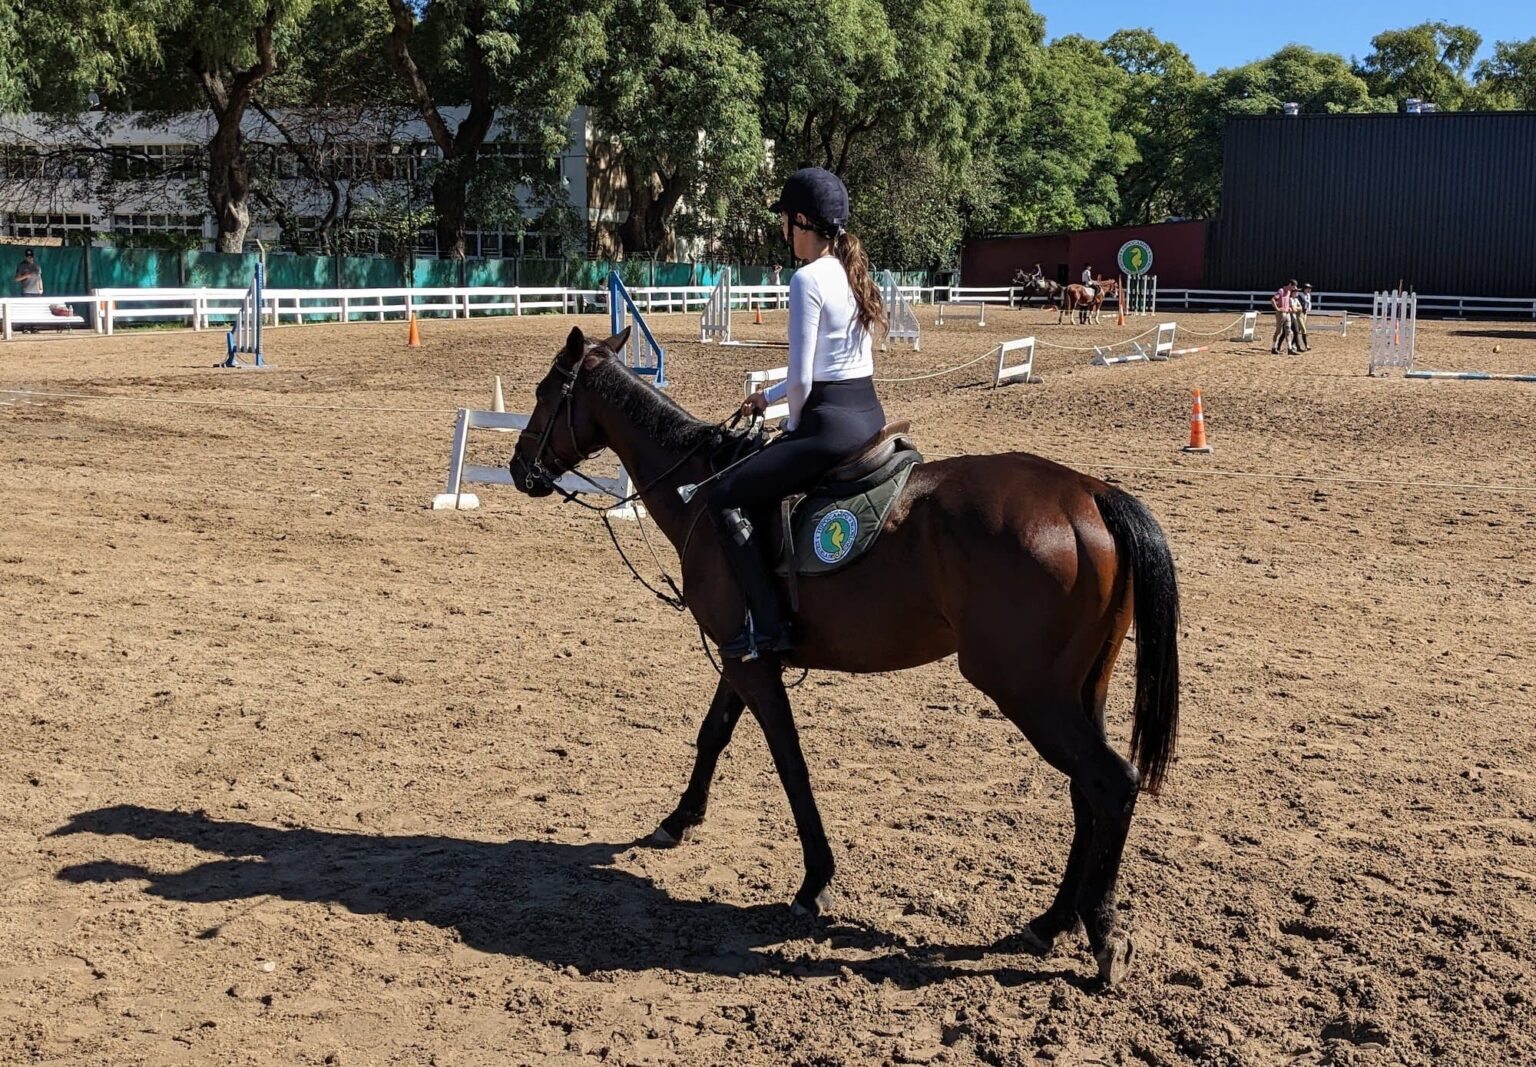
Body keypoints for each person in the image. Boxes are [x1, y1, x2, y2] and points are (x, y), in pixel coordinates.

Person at [709, 167, 888, 659]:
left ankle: (768, 626)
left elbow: (806, 381)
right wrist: (767, 396)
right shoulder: (851, 273)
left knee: (725, 495)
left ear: (801, 220)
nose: (783, 230)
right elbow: (828, 367)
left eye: (785, 220)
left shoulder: (806, 279)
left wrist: (790, 429)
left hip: (827, 426)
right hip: (868, 414)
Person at [1270, 279, 1296, 354]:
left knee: (1288, 331)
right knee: (1278, 331)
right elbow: (1273, 299)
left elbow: (1287, 302)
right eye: (1293, 287)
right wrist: (1277, 308)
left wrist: (1289, 308)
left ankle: (1290, 349)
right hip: (1281, 313)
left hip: (1287, 313)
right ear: (1290, 285)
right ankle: (1273, 347)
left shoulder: (1289, 292)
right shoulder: (1281, 290)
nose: (1294, 289)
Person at [1292, 283, 1312, 352]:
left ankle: (1292, 344)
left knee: (1299, 331)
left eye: (1309, 288)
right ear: (1304, 289)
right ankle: (1306, 345)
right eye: (1308, 288)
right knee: (1303, 330)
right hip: (1299, 314)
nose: (1309, 290)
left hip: (1305, 314)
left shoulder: (1308, 295)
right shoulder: (1300, 296)